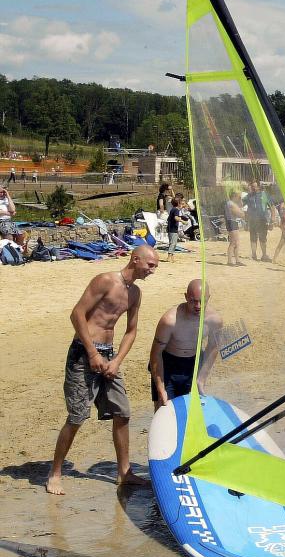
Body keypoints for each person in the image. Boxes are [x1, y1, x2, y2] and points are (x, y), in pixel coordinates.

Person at [47, 245, 159, 495]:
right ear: (135, 259)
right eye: (150, 265)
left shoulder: (135, 294)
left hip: (109, 357)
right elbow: (76, 314)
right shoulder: (105, 280)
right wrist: (92, 352)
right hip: (83, 353)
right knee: (77, 416)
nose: (152, 271)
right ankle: (55, 472)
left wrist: (117, 360)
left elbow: (131, 331)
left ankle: (124, 472)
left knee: (123, 412)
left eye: (155, 267)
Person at [149, 279, 222, 408]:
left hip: (193, 365)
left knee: (190, 410)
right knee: (165, 409)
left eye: (202, 301)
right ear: (186, 297)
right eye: (193, 301)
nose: (198, 306)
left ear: (209, 298)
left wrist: (201, 378)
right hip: (167, 365)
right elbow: (156, 353)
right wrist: (160, 387)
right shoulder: (170, 320)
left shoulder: (214, 320)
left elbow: (213, 347)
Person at [244, 179, 274, 262]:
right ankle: (254, 255)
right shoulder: (249, 196)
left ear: (259, 186)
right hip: (252, 220)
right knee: (253, 238)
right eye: (252, 186)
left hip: (262, 219)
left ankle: (264, 255)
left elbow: (272, 207)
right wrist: (246, 221)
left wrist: (272, 219)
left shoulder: (264, 195)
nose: (253, 188)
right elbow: (245, 208)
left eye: (255, 186)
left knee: (263, 238)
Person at [224, 190, 246, 266]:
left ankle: (237, 260)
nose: (239, 198)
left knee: (236, 243)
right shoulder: (231, 204)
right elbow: (241, 214)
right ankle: (229, 261)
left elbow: (241, 213)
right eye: (238, 196)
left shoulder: (231, 203)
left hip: (233, 222)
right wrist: (241, 209)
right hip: (231, 222)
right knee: (233, 243)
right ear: (234, 196)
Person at [165, 197, 183, 262]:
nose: (181, 204)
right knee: (173, 243)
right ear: (178, 203)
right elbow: (176, 218)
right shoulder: (176, 210)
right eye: (181, 203)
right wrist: (182, 221)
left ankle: (172, 258)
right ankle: (168, 257)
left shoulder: (172, 209)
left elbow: (169, 219)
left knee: (172, 243)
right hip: (173, 229)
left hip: (170, 229)